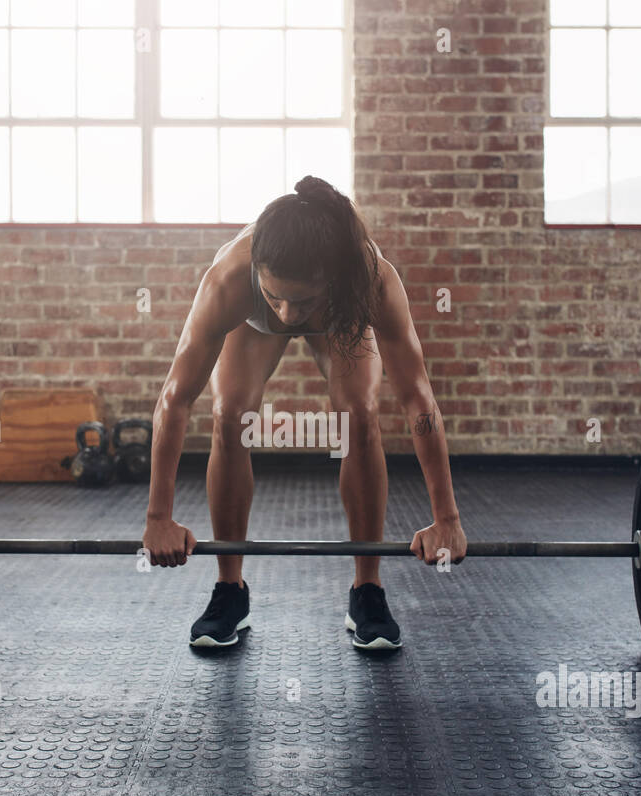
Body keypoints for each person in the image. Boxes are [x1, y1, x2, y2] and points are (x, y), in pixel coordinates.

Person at [141, 176, 467, 651]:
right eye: (277, 297)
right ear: (258, 271)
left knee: (358, 415)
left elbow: (418, 399)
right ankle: (230, 590)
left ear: (334, 277)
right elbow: (175, 398)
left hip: (340, 317)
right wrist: (158, 517)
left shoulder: (372, 279)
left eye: (303, 301)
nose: (290, 315)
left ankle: (367, 590)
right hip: (251, 325)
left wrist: (447, 517)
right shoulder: (229, 278)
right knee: (230, 415)